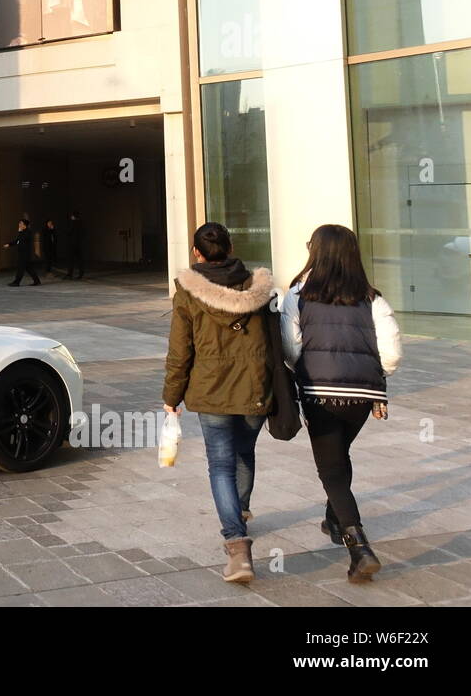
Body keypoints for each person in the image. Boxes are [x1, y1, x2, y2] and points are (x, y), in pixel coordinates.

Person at [281, 224, 401, 584]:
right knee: (339, 455)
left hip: (320, 394)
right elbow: (392, 354)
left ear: (315, 252)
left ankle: (358, 544)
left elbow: (290, 348)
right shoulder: (372, 298)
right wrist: (373, 376)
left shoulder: (298, 295)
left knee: (330, 468)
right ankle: (334, 519)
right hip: (362, 397)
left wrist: (304, 369)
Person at [163, 222, 282, 584]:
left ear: (197, 253)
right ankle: (240, 510)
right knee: (244, 453)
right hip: (254, 387)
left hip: (211, 389)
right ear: (230, 248)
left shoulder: (187, 291)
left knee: (220, 464)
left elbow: (180, 349)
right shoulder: (257, 287)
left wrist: (172, 396)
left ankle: (236, 541)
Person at [3, 218, 39, 286]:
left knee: (20, 268)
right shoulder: (22, 232)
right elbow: (17, 241)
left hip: (25, 253)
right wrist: (9, 244)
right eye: (19, 223)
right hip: (22, 253)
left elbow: (23, 239)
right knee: (29, 268)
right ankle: (37, 281)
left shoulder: (28, 232)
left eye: (21, 223)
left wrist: (20, 232)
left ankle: (17, 282)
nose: (19, 224)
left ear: (24, 225)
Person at [65, 211, 85, 279]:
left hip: (72, 244)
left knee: (71, 260)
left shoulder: (72, 223)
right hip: (79, 244)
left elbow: (68, 232)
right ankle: (81, 274)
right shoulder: (81, 223)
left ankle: (70, 274)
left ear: (73, 216)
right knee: (80, 260)